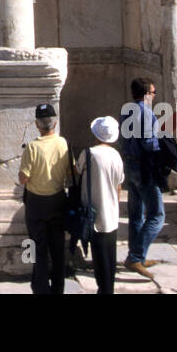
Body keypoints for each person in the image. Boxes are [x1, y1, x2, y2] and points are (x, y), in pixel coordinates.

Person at [19, 103, 70, 294]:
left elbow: (23, 178)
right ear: (54, 123)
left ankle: (39, 287)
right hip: (57, 200)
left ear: (37, 124)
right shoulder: (63, 143)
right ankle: (58, 288)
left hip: (36, 203)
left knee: (35, 245)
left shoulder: (32, 147)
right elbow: (70, 171)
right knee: (57, 247)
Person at [121, 77, 165, 278]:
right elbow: (148, 142)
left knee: (136, 214)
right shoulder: (145, 112)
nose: (154, 96)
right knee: (157, 215)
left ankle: (137, 254)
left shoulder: (127, 110)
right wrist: (162, 144)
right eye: (153, 93)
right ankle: (136, 257)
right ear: (147, 93)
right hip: (143, 167)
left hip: (130, 164)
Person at [77, 115, 124, 295]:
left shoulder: (89, 153)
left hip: (93, 212)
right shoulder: (116, 156)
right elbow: (119, 184)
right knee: (110, 254)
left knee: (98, 255)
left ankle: (104, 290)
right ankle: (108, 288)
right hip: (111, 212)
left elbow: (77, 170)